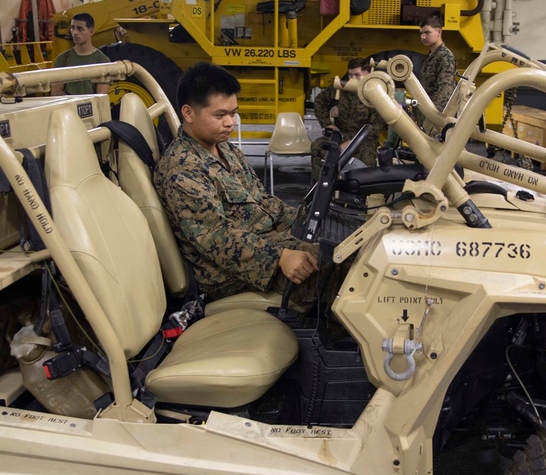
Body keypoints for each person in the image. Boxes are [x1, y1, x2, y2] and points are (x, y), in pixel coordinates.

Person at [154, 62, 322, 306]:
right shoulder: (183, 169)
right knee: (338, 271)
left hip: (262, 244)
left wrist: (305, 221)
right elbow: (214, 236)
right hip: (228, 273)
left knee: (341, 249)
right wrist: (279, 258)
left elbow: (263, 202)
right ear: (188, 113)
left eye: (233, 113)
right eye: (220, 115)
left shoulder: (226, 150)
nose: (230, 122)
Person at [311, 57, 386, 173]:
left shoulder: (374, 94)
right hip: (341, 134)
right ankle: (320, 186)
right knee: (317, 146)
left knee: (367, 158)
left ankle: (364, 189)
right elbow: (319, 101)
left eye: (357, 75)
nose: (353, 78)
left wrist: (352, 142)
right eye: (350, 75)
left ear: (367, 74)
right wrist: (326, 123)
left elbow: (374, 128)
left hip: (364, 138)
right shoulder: (340, 88)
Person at [50, 12, 110, 96]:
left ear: (91, 31)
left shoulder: (102, 61)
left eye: (80, 29)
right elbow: (56, 92)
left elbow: (100, 96)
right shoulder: (63, 58)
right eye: (72, 28)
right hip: (67, 108)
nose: (74, 32)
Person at [417, 14, 458, 108]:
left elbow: (444, 92)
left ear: (439, 32)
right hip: (425, 113)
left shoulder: (445, 57)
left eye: (427, 33)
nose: (423, 37)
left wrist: (433, 117)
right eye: (421, 33)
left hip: (434, 116)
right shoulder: (430, 56)